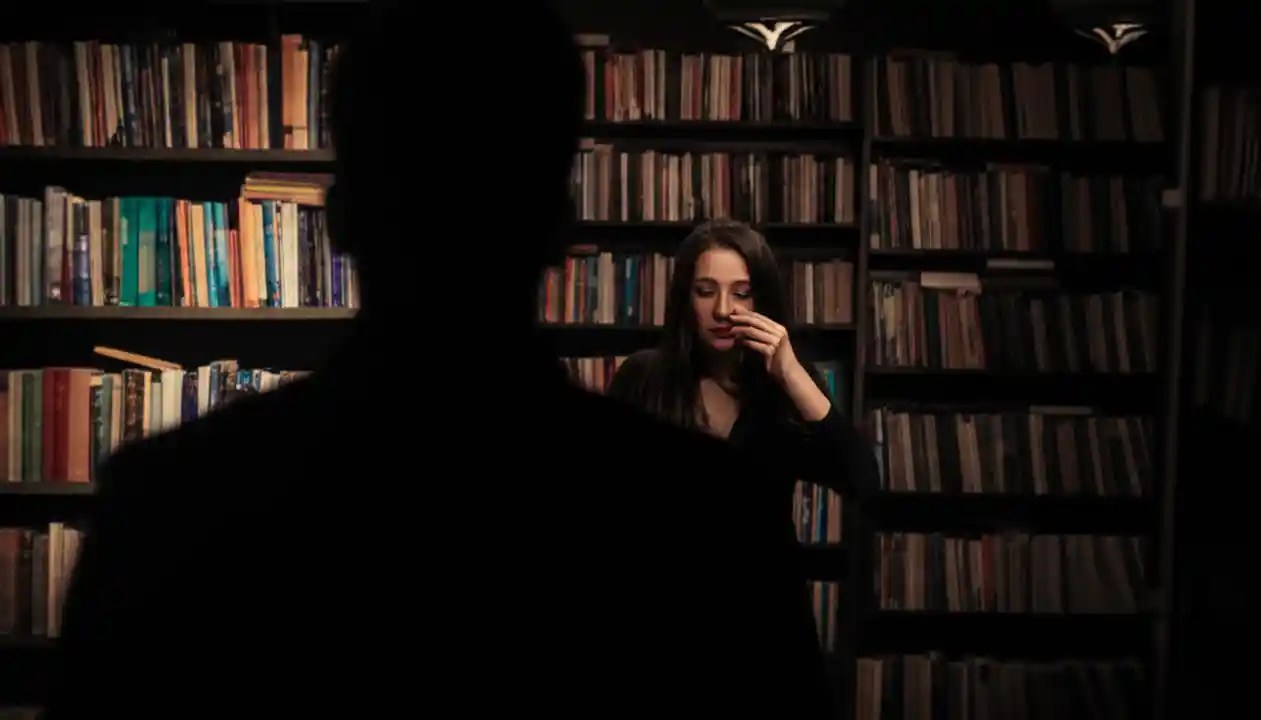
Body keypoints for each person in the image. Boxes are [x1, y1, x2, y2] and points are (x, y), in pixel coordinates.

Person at [43, 2, 836, 719]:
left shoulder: (171, 501)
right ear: (560, 230)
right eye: (705, 290)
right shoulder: (713, 522)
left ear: (341, 216)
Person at [606, 219, 880, 705]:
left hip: (768, 634)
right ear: (685, 300)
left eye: (742, 293)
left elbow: (861, 477)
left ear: (763, 300)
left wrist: (791, 373)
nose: (724, 310)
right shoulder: (644, 378)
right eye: (705, 291)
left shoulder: (785, 388)